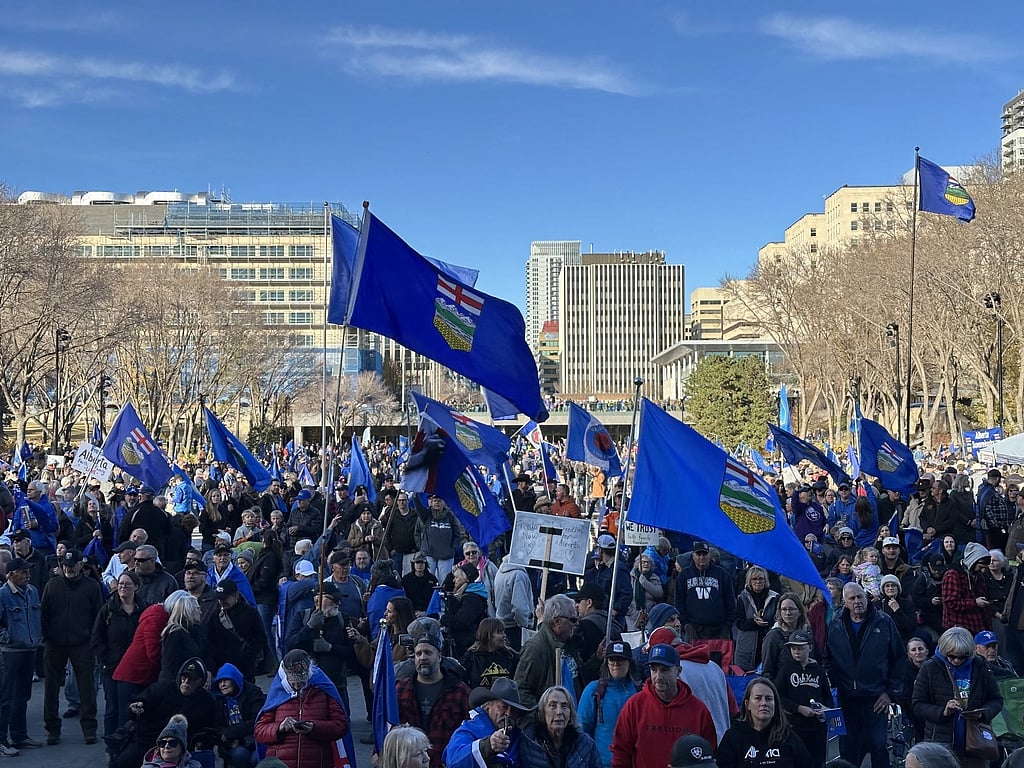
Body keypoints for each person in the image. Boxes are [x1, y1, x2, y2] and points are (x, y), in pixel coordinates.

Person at [825, 582, 903, 768]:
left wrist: (889, 693)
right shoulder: (835, 623)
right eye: (852, 598)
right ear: (845, 602)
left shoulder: (884, 622)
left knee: (878, 747)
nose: (857, 601)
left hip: (876, 697)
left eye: (860, 597)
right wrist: (832, 684)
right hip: (846, 697)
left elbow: (899, 659)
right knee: (848, 749)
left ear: (867, 598)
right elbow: (828, 658)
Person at [611, 643, 716, 768]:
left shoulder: (699, 711)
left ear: (678, 671)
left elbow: (709, 756)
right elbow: (620, 752)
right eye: (653, 669)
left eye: (665, 670)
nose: (658, 676)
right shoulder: (634, 706)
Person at [40, 547, 103, 746]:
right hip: (55, 643)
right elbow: (44, 614)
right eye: (65, 565)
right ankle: (52, 729)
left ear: (80, 565)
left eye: (72, 565)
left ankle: (89, 729)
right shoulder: (52, 585)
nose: (68, 568)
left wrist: (93, 641)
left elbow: (98, 616)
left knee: (86, 688)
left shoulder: (91, 587)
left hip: (82, 644)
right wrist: (46, 636)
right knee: (51, 687)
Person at [912, 626, 1002, 762]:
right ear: (944, 651)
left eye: (962, 657)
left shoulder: (980, 665)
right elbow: (917, 704)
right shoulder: (930, 668)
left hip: (976, 743)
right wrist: (943, 712)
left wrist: (982, 714)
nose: (956, 661)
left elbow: (996, 700)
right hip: (941, 743)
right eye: (952, 656)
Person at [254, 649, 350, 768]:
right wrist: (279, 728)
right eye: (292, 682)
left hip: (317, 761)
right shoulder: (277, 694)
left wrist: (314, 728)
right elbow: (259, 731)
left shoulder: (324, 691)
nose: (296, 686)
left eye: (300, 682)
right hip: (281, 763)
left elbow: (340, 726)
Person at [395, 631, 471, 768]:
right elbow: (389, 725)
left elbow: (470, 730)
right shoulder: (401, 689)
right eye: (418, 654)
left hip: (446, 763)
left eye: (428, 653)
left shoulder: (460, 691)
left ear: (440, 656)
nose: (422, 658)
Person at [91, 569, 147, 754]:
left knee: (131, 709)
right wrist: (106, 659)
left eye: (127, 584)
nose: (122, 587)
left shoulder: (144, 610)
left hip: (136, 669)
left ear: (136, 587)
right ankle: (112, 747)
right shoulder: (108, 609)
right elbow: (97, 638)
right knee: (112, 708)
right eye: (120, 584)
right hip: (112, 668)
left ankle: (130, 745)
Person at [717, 678, 812, 768]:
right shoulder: (733, 737)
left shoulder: (788, 736)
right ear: (747, 704)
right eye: (758, 698)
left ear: (775, 704)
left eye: (769, 698)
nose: (764, 703)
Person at [0, 556, 43, 755]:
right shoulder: (2, 595)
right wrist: (8, 638)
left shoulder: (32, 592)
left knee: (22, 696)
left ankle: (19, 736)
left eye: (28, 571)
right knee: (5, 698)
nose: (28, 575)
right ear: (11, 574)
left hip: (29, 650)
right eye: (23, 572)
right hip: (9, 654)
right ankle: (2, 740)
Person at [773, 629, 832, 768]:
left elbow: (827, 696)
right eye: (793, 648)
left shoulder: (819, 670)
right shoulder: (786, 670)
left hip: (817, 728)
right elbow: (778, 696)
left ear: (810, 647)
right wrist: (798, 708)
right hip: (794, 726)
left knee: (818, 762)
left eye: (800, 647)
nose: (796, 651)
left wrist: (826, 709)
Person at [444, 677, 533, 768]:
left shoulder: (520, 738)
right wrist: (487, 746)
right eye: (503, 707)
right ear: (488, 707)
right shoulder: (467, 731)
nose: (508, 714)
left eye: (513, 710)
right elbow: (454, 762)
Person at [578, 641, 640, 768]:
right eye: (612, 660)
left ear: (630, 663)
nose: (616, 664)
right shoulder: (594, 691)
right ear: (607, 663)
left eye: (621, 660)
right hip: (600, 763)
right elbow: (581, 730)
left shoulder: (640, 692)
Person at [516, 594, 583, 708]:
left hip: (570, 717)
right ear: (557, 622)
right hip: (550, 721)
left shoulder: (569, 643)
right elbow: (522, 690)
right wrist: (543, 715)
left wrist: (597, 659)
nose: (576, 624)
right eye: (573, 620)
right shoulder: (535, 648)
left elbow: (578, 677)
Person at [519, 685, 601, 768]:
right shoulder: (528, 743)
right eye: (553, 705)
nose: (559, 712)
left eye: (564, 706)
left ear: (570, 713)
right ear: (542, 712)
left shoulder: (585, 744)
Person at [675, 542, 735, 641]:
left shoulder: (722, 574)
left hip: (719, 629)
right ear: (693, 556)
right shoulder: (684, 575)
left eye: (704, 554)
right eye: (698, 554)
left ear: (709, 555)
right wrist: (685, 623)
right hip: (693, 629)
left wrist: (728, 624)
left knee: (719, 656)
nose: (701, 557)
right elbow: (679, 601)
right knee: (694, 656)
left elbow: (730, 600)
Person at [212, 663, 266, 768]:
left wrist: (232, 733)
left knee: (256, 758)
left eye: (226, 680)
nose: (222, 685)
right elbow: (217, 726)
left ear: (235, 680)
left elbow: (256, 720)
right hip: (234, 743)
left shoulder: (253, 693)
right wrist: (227, 737)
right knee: (239, 754)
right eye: (219, 682)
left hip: (255, 739)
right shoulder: (219, 699)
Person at [735, 566, 779, 672]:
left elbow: (779, 620)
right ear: (749, 581)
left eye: (761, 578)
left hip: (768, 642)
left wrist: (768, 623)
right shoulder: (742, 598)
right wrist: (753, 622)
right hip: (748, 646)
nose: (758, 581)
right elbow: (738, 622)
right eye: (754, 579)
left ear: (766, 580)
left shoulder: (775, 598)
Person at [942, 542, 992, 635]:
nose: (983, 570)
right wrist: (975, 603)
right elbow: (950, 602)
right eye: (981, 567)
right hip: (958, 628)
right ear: (972, 561)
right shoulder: (952, 575)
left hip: (978, 625)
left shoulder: (978, 576)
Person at [415, 494, 467, 583]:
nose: (437, 503)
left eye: (439, 501)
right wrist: (415, 497)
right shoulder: (427, 514)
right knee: (428, 581)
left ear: (443, 503)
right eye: (435, 501)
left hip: (446, 556)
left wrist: (452, 549)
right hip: (429, 554)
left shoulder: (450, 516)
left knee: (444, 581)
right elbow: (419, 509)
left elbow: (457, 534)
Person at [761, 592, 812, 680]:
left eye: (791, 609)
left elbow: (816, 661)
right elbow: (767, 671)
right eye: (784, 609)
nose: (788, 613)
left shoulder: (807, 633)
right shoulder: (773, 636)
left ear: (799, 611)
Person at [460, 617, 519, 689]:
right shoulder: (471, 657)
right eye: (499, 632)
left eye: (503, 631)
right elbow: (462, 683)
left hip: (505, 699)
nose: (504, 635)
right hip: (480, 698)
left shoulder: (510, 655)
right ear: (488, 635)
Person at [493, 556, 535, 651]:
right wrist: (525, 625)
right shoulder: (518, 575)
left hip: (502, 624)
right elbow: (519, 607)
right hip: (516, 628)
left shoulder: (500, 572)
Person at [900, 637, 932, 743]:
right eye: (913, 650)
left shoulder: (936, 668)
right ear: (908, 654)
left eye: (920, 649)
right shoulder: (904, 672)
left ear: (927, 651)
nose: (918, 652)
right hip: (913, 713)